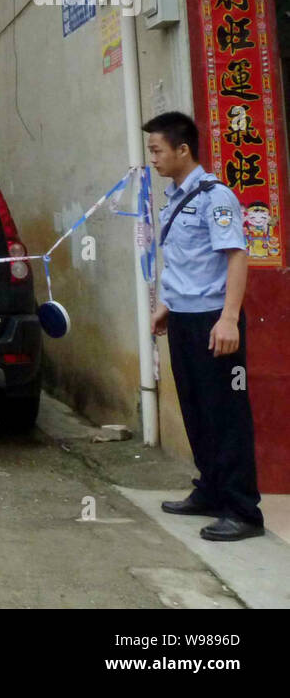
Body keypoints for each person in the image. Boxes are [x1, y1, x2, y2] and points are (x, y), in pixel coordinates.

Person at [144, 112, 263, 541]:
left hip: (216, 321)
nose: (152, 159)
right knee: (196, 410)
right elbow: (184, 261)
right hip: (184, 320)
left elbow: (236, 256)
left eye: (157, 150)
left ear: (182, 149)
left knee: (226, 414)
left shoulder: (216, 197)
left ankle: (243, 509)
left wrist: (229, 317)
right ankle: (210, 490)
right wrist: (167, 306)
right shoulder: (174, 197)